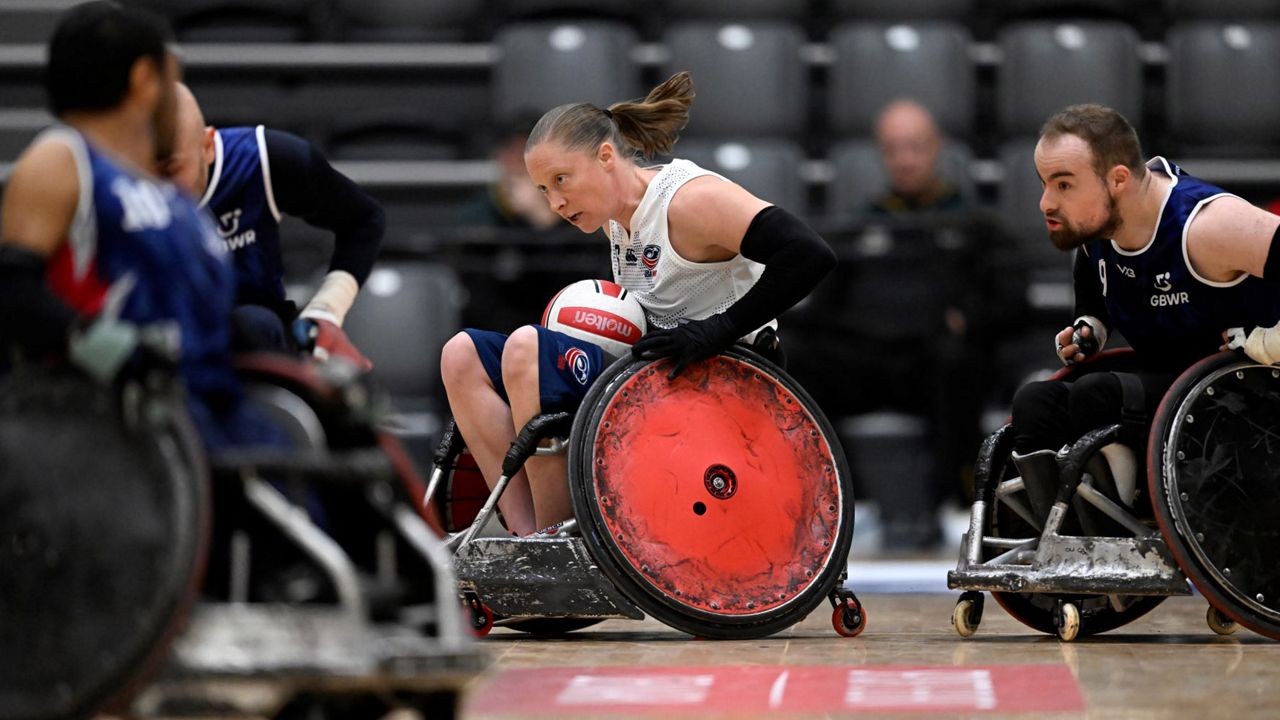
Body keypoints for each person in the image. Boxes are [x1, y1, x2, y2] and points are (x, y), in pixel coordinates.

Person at [439, 72, 836, 536]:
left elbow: (811, 255)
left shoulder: (689, 201)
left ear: (606, 157)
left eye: (561, 180)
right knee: (462, 354)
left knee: (529, 347)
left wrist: (717, 330)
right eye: (545, 189)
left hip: (729, 377)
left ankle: (556, 540)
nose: (555, 202)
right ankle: (524, 536)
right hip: (657, 378)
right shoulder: (614, 219)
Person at [0, 1, 286, 453]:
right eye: (171, 77)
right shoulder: (63, 157)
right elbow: (11, 290)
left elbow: (208, 320)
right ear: (144, 80)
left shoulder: (168, 192)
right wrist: (106, 346)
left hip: (208, 411)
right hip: (115, 427)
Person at [1010, 104, 1280, 487]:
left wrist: (1269, 343)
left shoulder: (1208, 226)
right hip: (1180, 389)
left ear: (1118, 179)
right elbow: (1092, 280)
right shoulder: (1096, 232)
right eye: (1044, 184)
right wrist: (1091, 325)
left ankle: (1119, 511)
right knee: (1034, 402)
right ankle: (1055, 527)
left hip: (1251, 401)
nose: (1046, 203)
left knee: (1098, 395)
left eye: (1064, 184)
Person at [161, 84, 384, 369]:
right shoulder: (117, 187)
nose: (155, 185)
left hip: (256, 337)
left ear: (207, 146)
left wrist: (326, 311)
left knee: (253, 323)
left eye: (169, 169)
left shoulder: (262, 159)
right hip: (168, 335)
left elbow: (364, 219)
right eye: (142, 167)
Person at [456, 114, 560, 230]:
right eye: (511, 151)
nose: (518, 162)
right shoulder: (480, 209)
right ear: (497, 157)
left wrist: (540, 213)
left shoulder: (570, 200)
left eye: (527, 151)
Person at [867, 99, 967, 217]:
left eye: (916, 147)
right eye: (891, 150)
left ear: (937, 145)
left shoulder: (969, 219)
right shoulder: (865, 223)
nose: (904, 161)